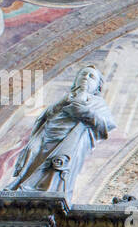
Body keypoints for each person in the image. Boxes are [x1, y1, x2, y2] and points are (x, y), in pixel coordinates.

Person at [8, 65, 115, 196]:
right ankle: (23, 186)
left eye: (91, 77)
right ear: (76, 79)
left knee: (57, 164)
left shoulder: (97, 103)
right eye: (83, 74)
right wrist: (61, 104)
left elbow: (107, 124)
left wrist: (83, 111)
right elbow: (46, 116)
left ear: (98, 86)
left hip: (71, 138)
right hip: (47, 135)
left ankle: (47, 191)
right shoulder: (66, 98)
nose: (86, 78)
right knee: (32, 155)